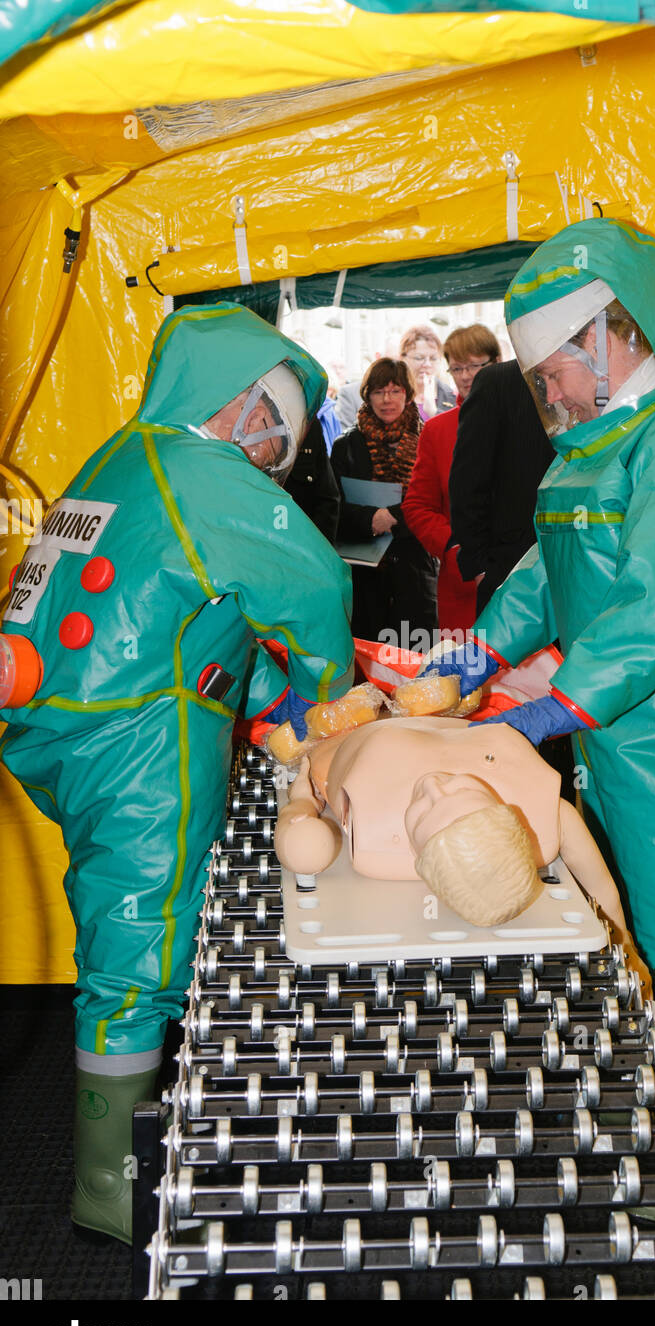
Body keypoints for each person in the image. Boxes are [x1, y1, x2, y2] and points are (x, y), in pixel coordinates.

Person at [425, 220, 655, 1189]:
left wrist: (547, 709)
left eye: (552, 369)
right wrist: (474, 658)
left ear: (607, 335)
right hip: (613, 728)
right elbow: (541, 581)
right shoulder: (588, 451)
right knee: (622, 913)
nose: (545, 392)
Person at [0, 303, 355, 1242]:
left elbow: (199, 594)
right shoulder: (207, 473)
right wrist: (326, 713)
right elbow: (313, 589)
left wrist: (265, 693)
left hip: (57, 724)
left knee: (112, 908)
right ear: (244, 405)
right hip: (138, 731)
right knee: (135, 942)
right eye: (276, 430)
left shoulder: (122, 456)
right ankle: (109, 1187)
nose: (277, 456)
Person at [273, 715, 651, 995]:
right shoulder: (536, 819)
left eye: (424, 808)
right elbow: (599, 882)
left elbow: (300, 829)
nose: (435, 784)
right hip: (454, 712)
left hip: (344, 726)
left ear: (417, 858)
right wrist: (622, 941)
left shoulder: (374, 840)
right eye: (462, 790)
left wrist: (302, 799)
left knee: (306, 847)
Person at [402, 324, 500, 637]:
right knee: (464, 678)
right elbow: (417, 505)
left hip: (524, 581)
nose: (466, 375)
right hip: (463, 587)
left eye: (475, 365)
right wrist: (454, 547)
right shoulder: (437, 430)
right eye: (457, 368)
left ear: (497, 362)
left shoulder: (528, 420)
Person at [331, 357, 436, 647]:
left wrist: (393, 516)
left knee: (417, 661)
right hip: (364, 576)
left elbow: (438, 500)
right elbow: (332, 507)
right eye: (379, 391)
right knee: (368, 663)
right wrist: (368, 519)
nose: (386, 399)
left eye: (395, 391)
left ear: (408, 394)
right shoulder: (346, 446)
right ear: (367, 395)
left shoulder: (428, 440)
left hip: (416, 571)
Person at [448, 356, 555, 614]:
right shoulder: (499, 382)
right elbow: (467, 479)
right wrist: (480, 567)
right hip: (508, 569)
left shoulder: (605, 378)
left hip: (575, 569)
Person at [282, 412, 341, 544]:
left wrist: (319, 550)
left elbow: (328, 498)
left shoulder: (308, 425)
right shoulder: (234, 426)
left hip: (303, 544)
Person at [399, 325, 457, 421]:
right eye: (419, 358)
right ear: (402, 358)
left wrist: (434, 413)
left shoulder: (451, 396)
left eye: (433, 358)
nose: (427, 364)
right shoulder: (389, 395)